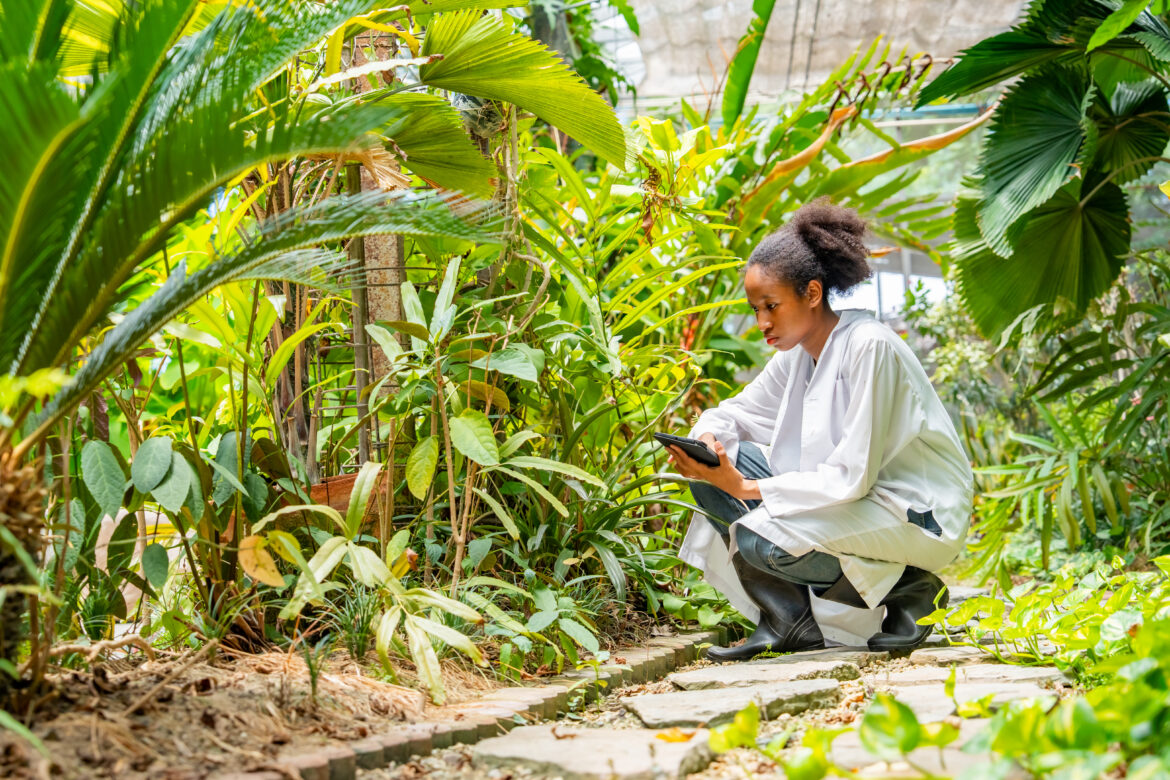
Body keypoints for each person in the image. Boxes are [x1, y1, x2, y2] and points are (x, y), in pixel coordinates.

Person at [664, 200, 973, 661]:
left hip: (913, 512)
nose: (762, 323)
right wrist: (709, 444)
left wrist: (745, 487)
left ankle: (912, 590)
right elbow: (735, 414)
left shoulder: (869, 347)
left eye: (772, 306)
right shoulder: (795, 355)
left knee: (760, 535)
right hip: (858, 502)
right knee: (707, 476)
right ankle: (790, 623)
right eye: (755, 309)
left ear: (812, 293)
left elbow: (851, 476)